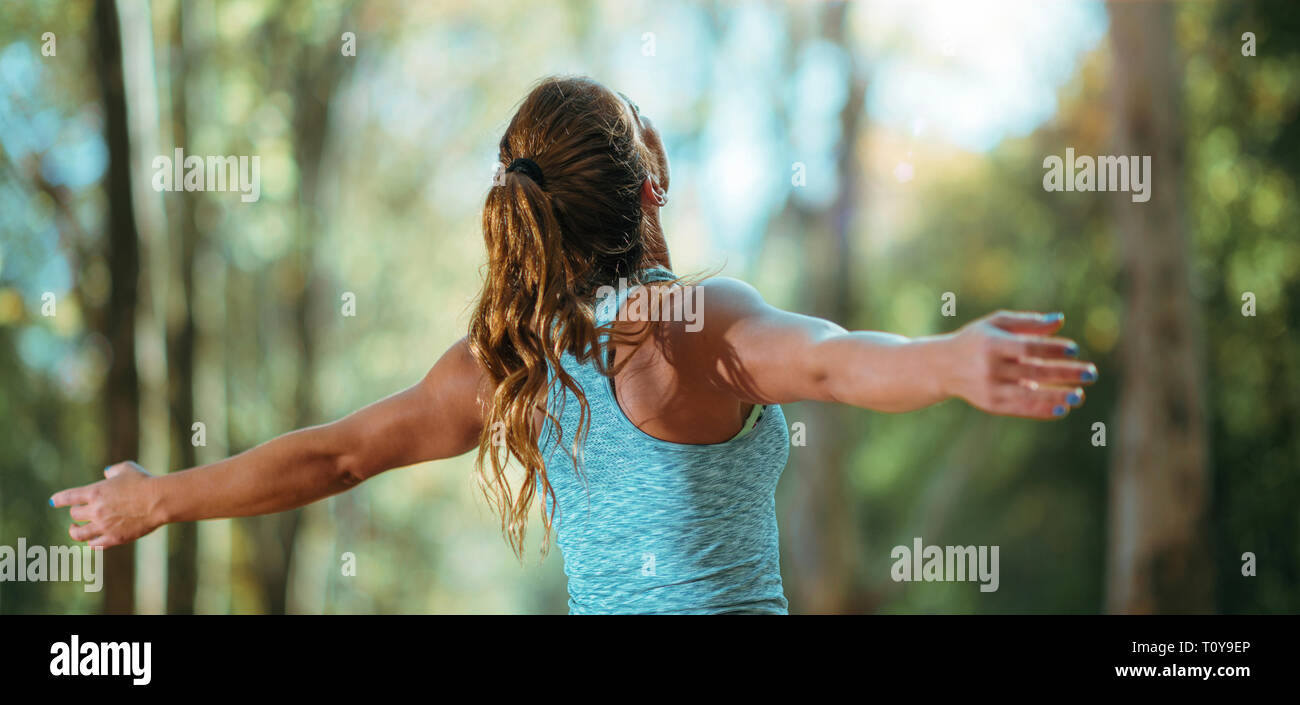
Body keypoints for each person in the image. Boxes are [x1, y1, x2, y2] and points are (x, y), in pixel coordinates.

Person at [51, 75, 1097, 614]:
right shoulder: (697, 324)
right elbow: (828, 360)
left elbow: (339, 455)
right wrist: (948, 359)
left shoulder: (509, 362)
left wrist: (158, 497)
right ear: (648, 192)